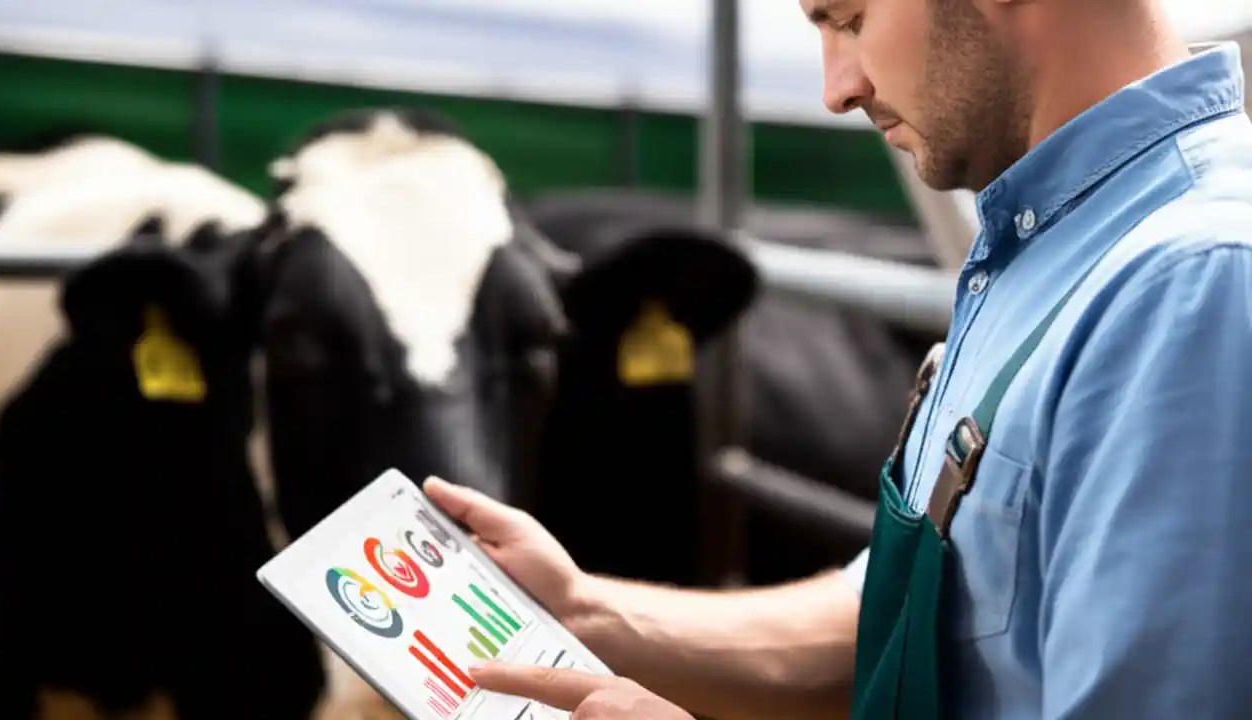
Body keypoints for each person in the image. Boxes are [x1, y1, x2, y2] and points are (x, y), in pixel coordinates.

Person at [425, 0, 1252, 715]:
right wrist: (583, 611)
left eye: (850, 19)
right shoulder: (1056, 237)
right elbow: (922, 616)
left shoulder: (1192, 287)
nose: (837, 90)